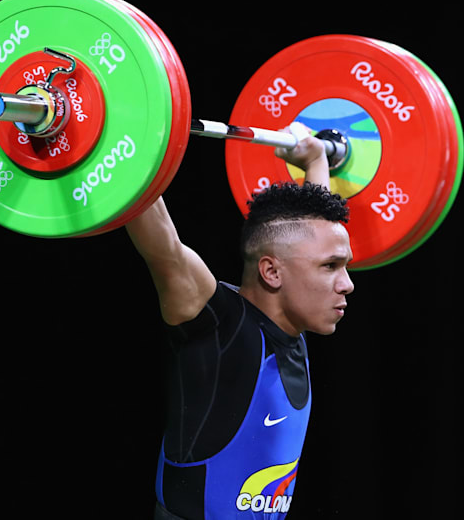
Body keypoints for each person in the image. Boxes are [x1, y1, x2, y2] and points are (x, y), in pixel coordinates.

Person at [126, 123, 355, 520]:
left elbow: (310, 237)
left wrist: (317, 160)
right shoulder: (218, 329)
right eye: (331, 267)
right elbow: (163, 245)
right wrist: (120, 147)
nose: (347, 284)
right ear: (271, 272)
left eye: (344, 266)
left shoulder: (289, 326)